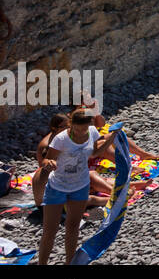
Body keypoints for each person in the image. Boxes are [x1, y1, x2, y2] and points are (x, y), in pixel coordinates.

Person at [37, 109, 120, 265]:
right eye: (77, 129)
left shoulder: (92, 131)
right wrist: (49, 164)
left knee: (73, 227)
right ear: (71, 125)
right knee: (50, 231)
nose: (81, 133)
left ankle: (70, 262)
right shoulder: (61, 139)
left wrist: (111, 138)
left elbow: (94, 153)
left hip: (80, 186)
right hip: (57, 187)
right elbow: (45, 160)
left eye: (84, 129)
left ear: (89, 124)